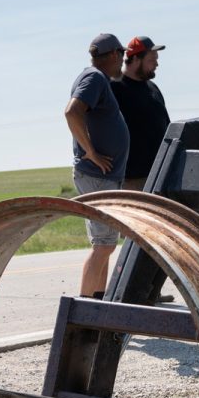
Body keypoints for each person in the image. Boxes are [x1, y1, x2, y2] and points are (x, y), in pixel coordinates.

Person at [64, 33, 129, 297]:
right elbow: (72, 112)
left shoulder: (96, 78)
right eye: (122, 55)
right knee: (103, 245)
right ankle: (84, 308)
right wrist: (90, 151)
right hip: (96, 174)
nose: (122, 61)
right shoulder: (94, 78)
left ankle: (97, 304)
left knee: (106, 245)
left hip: (103, 176)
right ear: (113, 54)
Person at [112, 35, 170, 191]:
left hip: (160, 175)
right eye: (152, 60)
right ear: (136, 59)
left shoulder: (153, 88)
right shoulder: (114, 88)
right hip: (131, 179)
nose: (157, 64)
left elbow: (167, 126)